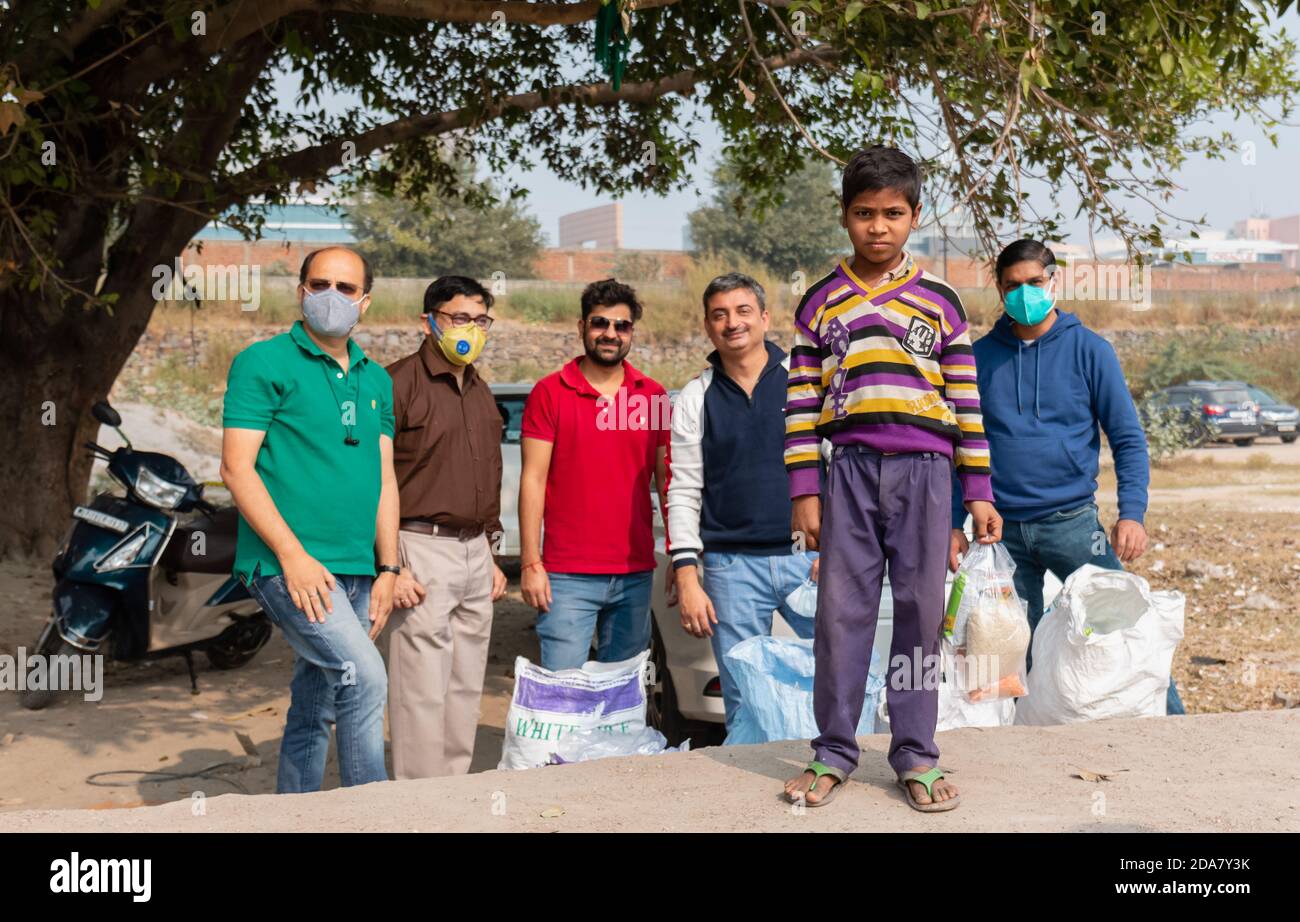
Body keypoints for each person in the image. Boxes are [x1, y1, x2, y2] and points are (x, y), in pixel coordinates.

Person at [781, 146, 1000, 812]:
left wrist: (980, 491)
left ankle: (915, 753)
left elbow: (965, 402)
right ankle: (834, 750)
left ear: (914, 216)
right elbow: (798, 403)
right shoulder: (820, 302)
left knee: (919, 614)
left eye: (893, 214)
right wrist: (804, 493)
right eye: (865, 213)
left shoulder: (941, 301)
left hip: (928, 475)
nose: (879, 227)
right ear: (846, 217)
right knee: (839, 616)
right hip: (846, 472)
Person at [949, 238, 1184, 714]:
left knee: (1124, 627)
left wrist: (1132, 513)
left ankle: (1173, 726)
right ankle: (1020, 751)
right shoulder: (977, 357)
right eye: (1013, 285)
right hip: (998, 532)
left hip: (1073, 525)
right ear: (999, 289)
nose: (1024, 293)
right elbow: (959, 447)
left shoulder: (1090, 350)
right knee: (1006, 651)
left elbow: (1127, 438)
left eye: (1034, 283)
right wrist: (956, 521)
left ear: (1053, 281)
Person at [221, 245, 398, 793]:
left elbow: (385, 480)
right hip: (286, 563)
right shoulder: (264, 361)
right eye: (319, 284)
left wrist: (389, 567)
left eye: (346, 289)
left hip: (357, 567)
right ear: (300, 292)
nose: (331, 297)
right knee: (365, 677)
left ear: (364, 301)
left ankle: (291, 816)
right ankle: (369, 815)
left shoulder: (376, 380)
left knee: (315, 701)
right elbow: (235, 468)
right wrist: (293, 558)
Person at [667, 272, 817, 731]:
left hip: (808, 559)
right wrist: (687, 575)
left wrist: (837, 547)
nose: (733, 323)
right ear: (708, 327)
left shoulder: (805, 382)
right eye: (720, 315)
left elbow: (838, 468)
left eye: (743, 311)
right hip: (731, 569)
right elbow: (684, 489)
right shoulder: (696, 397)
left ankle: (837, 775)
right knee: (744, 697)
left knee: (837, 678)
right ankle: (750, 798)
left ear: (765, 317)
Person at [384, 276, 510, 779]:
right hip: (420, 547)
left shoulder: (479, 389)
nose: (472, 329)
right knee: (420, 688)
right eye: (460, 318)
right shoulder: (396, 384)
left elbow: (489, 473)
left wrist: (492, 553)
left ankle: (453, 794)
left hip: (475, 551)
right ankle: (419, 802)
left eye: (481, 320)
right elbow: (371, 480)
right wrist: (389, 562)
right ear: (429, 320)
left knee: (464, 684)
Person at [518, 278, 670, 670]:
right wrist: (530, 563)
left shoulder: (652, 395)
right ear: (582, 327)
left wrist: (679, 556)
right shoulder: (550, 393)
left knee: (624, 698)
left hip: (634, 573)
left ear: (632, 332)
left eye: (622, 326)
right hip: (566, 576)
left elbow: (667, 480)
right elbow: (532, 480)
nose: (610, 334)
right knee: (563, 697)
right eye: (600, 323)